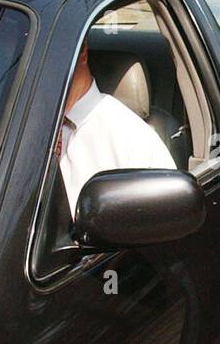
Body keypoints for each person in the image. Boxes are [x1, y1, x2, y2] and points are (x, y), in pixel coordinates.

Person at [56, 38, 176, 215]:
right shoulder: (11, 126)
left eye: (52, 58)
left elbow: (165, 217)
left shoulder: (132, 140)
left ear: (81, 52)